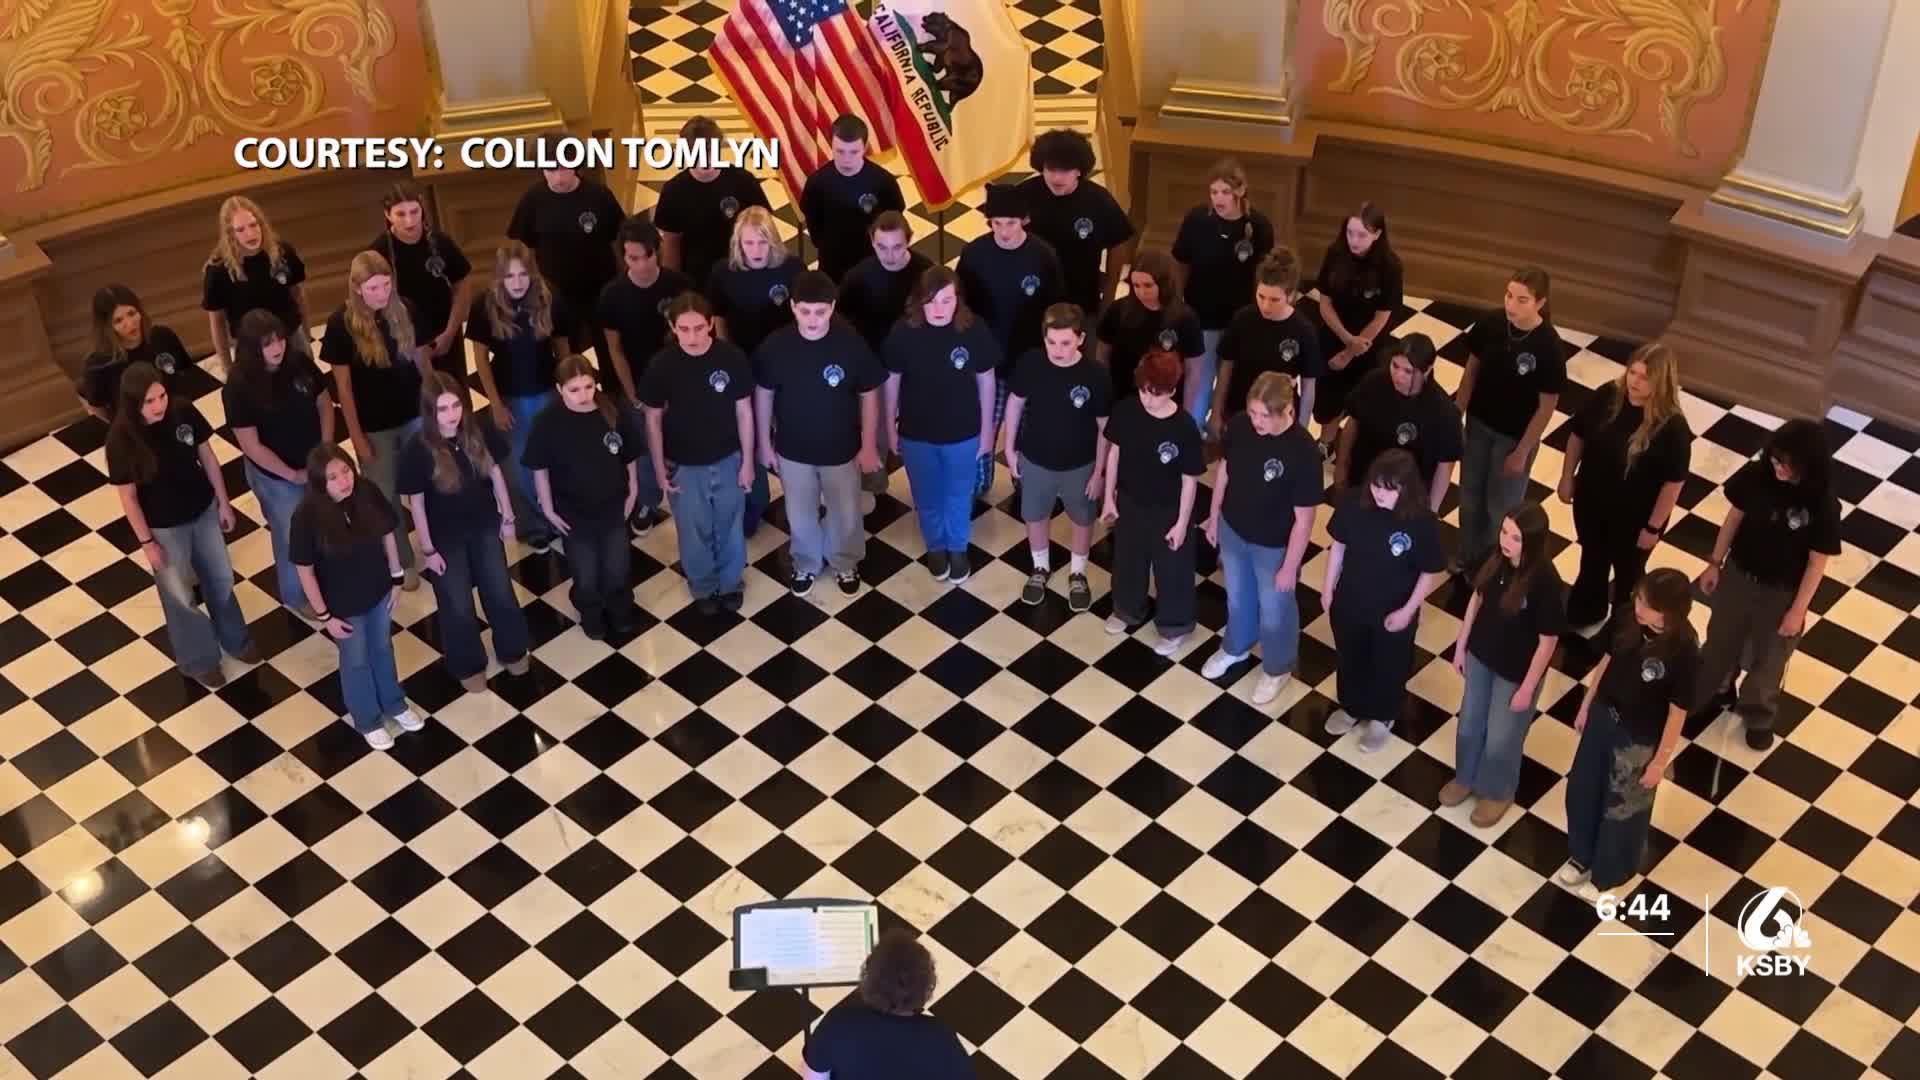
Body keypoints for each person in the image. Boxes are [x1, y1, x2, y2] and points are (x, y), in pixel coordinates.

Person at [107, 363, 258, 689]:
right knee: (179, 596)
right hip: (164, 527)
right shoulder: (121, 439)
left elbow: (207, 457)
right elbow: (129, 498)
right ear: (134, 404)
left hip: (202, 510)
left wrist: (223, 501)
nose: (159, 405)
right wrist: (147, 543)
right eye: (149, 401)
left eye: (161, 395)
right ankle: (199, 659)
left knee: (221, 578)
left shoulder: (182, 411)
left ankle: (237, 640)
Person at [1691, 419, 1840, 750]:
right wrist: (1715, 563)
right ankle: (1713, 690)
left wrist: (1798, 610)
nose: (1778, 469)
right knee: (1720, 641)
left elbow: (1817, 563)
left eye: (1786, 464)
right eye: (1775, 460)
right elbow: (1734, 518)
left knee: (1769, 658)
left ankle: (1757, 715)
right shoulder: (1756, 477)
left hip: (1781, 593)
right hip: (1739, 575)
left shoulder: (1822, 504)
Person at [1561, 568, 1696, 893]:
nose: (1639, 607)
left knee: (1623, 805)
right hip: (1604, 715)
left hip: (1639, 736)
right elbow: (1607, 659)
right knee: (1583, 787)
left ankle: (1609, 873)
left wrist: (1661, 761)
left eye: (1648, 604)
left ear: (1669, 611)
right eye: (1639, 597)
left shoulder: (1684, 649)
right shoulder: (1626, 617)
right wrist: (1586, 703)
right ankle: (1581, 855)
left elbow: (1678, 711)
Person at [399, 373, 532, 692]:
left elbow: (496, 472)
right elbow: (415, 503)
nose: (452, 415)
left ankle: (512, 648)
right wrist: (427, 549)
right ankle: (468, 663)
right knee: (456, 602)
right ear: (430, 412)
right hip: (446, 537)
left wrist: (509, 515)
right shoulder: (418, 448)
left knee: (499, 588)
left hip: (485, 524)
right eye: (443, 409)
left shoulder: (478, 430)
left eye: (456, 405)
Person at [753, 271, 884, 597]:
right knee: (800, 513)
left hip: (841, 448)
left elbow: (869, 393)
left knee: (846, 510)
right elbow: (764, 394)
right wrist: (763, 443)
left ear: (833, 307)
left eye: (821, 311)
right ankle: (806, 562)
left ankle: (844, 561)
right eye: (806, 311)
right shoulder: (776, 346)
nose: (813, 319)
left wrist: (868, 445)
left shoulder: (849, 342)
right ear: (793, 307)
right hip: (792, 448)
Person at [1200, 373, 1321, 706]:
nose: (1257, 422)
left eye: (1265, 416)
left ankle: (1277, 667)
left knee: (1275, 608)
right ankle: (1236, 646)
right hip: (1234, 528)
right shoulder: (1240, 427)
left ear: (1288, 412)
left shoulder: (1304, 452)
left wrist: (1290, 566)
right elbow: (1224, 470)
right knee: (1238, 597)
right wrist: (1213, 515)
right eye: (1253, 413)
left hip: (1274, 545)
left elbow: (1304, 519)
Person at [291, 444, 421, 750]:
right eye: (333, 477)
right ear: (321, 482)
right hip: (342, 605)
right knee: (356, 659)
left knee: (382, 648)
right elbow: (304, 570)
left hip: (378, 590)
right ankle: (367, 719)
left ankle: (394, 702)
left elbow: (388, 531)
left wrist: (396, 576)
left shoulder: (366, 491)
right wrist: (324, 616)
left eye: (346, 471)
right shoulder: (307, 516)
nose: (344, 480)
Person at [1558, 343, 1691, 630]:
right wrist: (1567, 476)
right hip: (1593, 501)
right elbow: (1578, 435)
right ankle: (1585, 613)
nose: (1635, 382)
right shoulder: (1608, 395)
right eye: (1632, 373)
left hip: (1635, 519)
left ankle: (1623, 629)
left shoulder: (1673, 427)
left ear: (1660, 381)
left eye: (1644, 377)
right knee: (1591, 560)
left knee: (1628, 578)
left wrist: (1653, 527)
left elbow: (1673, 483)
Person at [1448, 502, 1565, 826]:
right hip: (1481, 656)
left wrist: (1528, 687)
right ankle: (1466, 777)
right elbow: (1477, 599)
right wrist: (1461, 646)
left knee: (1503, 736)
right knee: (1470, 722)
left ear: (1532, 542)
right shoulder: (1495, 558)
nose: (1506, 541)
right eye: (1504, 532)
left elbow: (1548, 641)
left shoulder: (1544, 582)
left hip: (1515, 672)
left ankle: (1498, 791)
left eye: (1515, 537)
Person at [1322, 450, 1448, 752]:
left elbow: (1428, 572)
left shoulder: (1421, 521)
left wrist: (1408, 611)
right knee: (1350, 655)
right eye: (1376, 486)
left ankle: (1383, 717)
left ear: (1405, 488)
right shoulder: (1355, 503)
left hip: (1393, 608)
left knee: (1388, 663)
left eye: (1389, 488)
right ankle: (1352, 706)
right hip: (1351, 599)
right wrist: (1328, 590)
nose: (1380, 494)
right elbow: (1338, 547)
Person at [639, 295, 755, 614]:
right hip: (684, 464)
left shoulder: (731, 357)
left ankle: (731, 583)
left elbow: (745, 411)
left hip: (728, 457)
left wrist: (748, 461)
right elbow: (652, 418)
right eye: (685, 329)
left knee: (730, 525)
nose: (693, 337)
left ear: (711, 326)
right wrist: (660, 468)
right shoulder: (662, 365)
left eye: (700, 328)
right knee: (693, 529)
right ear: (673, 328)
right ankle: (703, 585)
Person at [883, 267, 999, 583]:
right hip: (916, 433)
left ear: (957, 300)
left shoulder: (973, 330)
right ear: (920, 301)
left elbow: (986, 380)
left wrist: (988, 430)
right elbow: (892, 381)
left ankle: (958, 547)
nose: (939, 309)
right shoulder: (903, 332)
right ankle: (936, 546)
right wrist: (889, 427)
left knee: (959, 493)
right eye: (932, 302)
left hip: (964, 432)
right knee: (926, 494)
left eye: (946, 301)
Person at [322, 250, 429, 589]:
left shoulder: (407, 309)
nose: (382, 294)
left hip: (414, 414)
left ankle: (435, 542)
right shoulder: (340, 324)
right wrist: (356, 436)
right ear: (356, 288)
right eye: (373, 288)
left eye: (386, 285)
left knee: (427, 481)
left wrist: (434, 409)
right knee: (385, 494)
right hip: (375, 425)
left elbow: (424, 365)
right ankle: (402, 560)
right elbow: (344, 387)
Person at [958, 183, 1066, 495]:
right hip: (987, 361)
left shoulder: (1043, 256)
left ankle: (1026, 480)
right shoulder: (975, 254)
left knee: (1030, 428)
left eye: (1011, 223)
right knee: (984, 425)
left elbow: (1056, 309)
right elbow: (962, 308)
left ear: (1025, 221)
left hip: (1030, 359)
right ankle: (980, 480)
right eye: (997, 224)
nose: (1004, 232)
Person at [524, 354, 643, 640]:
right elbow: (538, 466)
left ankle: (619, 607)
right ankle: (591, 611)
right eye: (574, 390)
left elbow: (630, 456)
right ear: (559, 388)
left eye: (588, 387)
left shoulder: (611, 410)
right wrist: (548, 508)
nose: (583, 395)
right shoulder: (547, 421)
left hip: (613, 503)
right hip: (572, 511)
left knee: (617, 565)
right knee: (585, 570)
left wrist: (634, 489)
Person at [467, 242, 575, 554]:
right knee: (519, 463)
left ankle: (559, 514)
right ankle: (533, 525)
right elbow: (481, 361)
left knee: (555, 457)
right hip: (510, 397)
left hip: (547, 391)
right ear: (499, 277)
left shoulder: (550, 297)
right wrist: (496, 404)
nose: (517, 282)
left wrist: (566, 391)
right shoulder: (483, 305)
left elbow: (563, 348)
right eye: (510, 276)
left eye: (523, 275)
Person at [225, 310, 333, 617]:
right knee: (290, 535)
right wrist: (292, 474)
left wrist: (325, 449)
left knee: (322, 523)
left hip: (314, 461)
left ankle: (322, 583)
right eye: (267, 344)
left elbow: (324, 402)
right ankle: (297, 596)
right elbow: (251, 445)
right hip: (277, 477)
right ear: (250, 349)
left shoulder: (297, 362)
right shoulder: (238, 387)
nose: (277, 348)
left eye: (279, 339)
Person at [1455, 267, 1565, 568]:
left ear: (1540, 303)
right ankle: (1467, 554)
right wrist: (1457, 414)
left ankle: (1492, 565)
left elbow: (1546, 407)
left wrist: (1522, 451)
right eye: (1508, 295)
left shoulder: (1548, 347)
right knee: (1469, 496)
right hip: (1478, 425)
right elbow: (1471, 372)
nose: (1511, 306)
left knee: (1500, 507)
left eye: (1522, 300)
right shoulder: (1491, 323)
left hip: (1513, 438)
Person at [1004, 304, 1109, 612]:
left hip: (1081, 463)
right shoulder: (1031, 364)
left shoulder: (1095, 375)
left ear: (1080, 339)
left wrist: (1100, 472)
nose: (1057, 350)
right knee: (1035, 515)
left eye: (1065, 342)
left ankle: (1078, 572)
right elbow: (1014, 404)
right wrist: (1010, 449)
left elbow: (1105, 427)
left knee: (1083, 517)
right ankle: (1040, 567)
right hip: (1035, 459)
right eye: (1051, 342)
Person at [1101, 349, 1204, 655]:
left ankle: (1175, 625)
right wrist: (1109, 496)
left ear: (1172, 390)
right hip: (1132, 501)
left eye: (1156, 393)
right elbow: (1115, 453)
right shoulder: (1126, 411)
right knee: (1128, 560)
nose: (1148, 399)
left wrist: (1183, 523)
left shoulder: (1184, 427)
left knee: (1172, 568)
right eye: (1145, 390)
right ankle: (1127, 609)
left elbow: (1190, 479)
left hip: (1168, 509)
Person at [710, 207, 801, 536]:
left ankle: (799, 502)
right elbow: (718, 318)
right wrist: (728, 357)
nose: (756, 250)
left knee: (788, 432)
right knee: (748, 435)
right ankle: (755, 501)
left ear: (773, 240)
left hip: (783, 366)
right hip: (744, 365)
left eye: (762, 242)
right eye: (749, 243)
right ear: (739, 244)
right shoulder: (723, 273)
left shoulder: (792, 269)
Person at [598, 217, 689, 537]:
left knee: (681, 445)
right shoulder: (613, 294)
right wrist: (632, 393)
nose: (639, 264)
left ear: (657, 252)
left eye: (644, 256)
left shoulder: (677, 285)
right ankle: (648, 502)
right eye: (631, 258)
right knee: (646, 452)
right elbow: (615, 349)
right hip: (637, 384)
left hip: (676, 384)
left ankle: (686, 501)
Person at [1171, 158, 1275, 428]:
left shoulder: (1259, 227)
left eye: (1225, 192)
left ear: (1240, 191)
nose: (1219, 198)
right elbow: (1181, 261)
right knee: (1200, 378)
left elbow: (1263, 276)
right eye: (1214, 192)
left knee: (1232, 380)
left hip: (1239, 319)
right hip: (1202, 315)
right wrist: (1179, 301)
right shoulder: (1197, 220)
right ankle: (1192, 429)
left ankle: (1226, 430)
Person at [800, 929, 973, 1080]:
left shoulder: (838, 1023)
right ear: (926, 987)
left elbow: (814, 1077)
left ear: (869, 979)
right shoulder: (941, 1037)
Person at [505, 161, 627, 371]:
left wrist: (624, 277)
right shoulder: (533, 199)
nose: (559, 178)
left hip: (600, 287)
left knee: (609, 348)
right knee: (567, 352)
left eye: (564, 169)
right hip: (557, 293)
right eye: (551, 171)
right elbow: (521, 247)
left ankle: (613, 394)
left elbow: (620, 238)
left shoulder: (598, 195)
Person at [1310, 204, 1403, 453]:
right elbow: (1325, 303)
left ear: (1378, 234)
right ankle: (1325, 443)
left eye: (1362, 234)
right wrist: (1345, 340)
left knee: (1362, 402)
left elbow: (1382, 315)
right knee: (1327, 401)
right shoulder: (1335, 253)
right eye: (1350, 232)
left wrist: (1351, 350)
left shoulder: (1390, 266)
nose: (1354, 240)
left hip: (1368, 346)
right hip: (1333, 337)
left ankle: (1352, 451)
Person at [1335, 333, 1461, 511]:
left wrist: (1431, 511)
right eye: (1395, 366)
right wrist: (1341, 465)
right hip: (1363, 481)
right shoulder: (1374, 383)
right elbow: (1353, 422)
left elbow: (1445, 465)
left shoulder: (1443, 412)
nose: (1398, 376)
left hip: (1407, 497)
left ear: (1427, 370)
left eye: (1408, 371)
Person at [1207, 250, 1321, 444]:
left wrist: (1300, 432)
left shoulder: (1304, 331)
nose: (1266, 306)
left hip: (1278, 416)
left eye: (1274, 299)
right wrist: (1216, 413)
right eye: (1261, 296)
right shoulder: (1243, 319)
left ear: (1291, 295)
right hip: (1238, 410)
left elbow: (1309, 387)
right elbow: (1225, 369)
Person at [1018, 128, 1134, 315]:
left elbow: (1119, 241)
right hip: (1032, 294)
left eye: (1065, 170)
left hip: (1081, 298)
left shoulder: (1098, 200)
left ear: (1080, 170)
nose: (1057, 178)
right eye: (1051, 169)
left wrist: (1110, 291)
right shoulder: (1024, 195)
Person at [654, 114, 771, 291]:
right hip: (695, 280)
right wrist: (674, 289)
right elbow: (671, 243)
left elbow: (764, 231)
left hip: (740, 274)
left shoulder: (744, 182)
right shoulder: (673, 190)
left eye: (708, 150)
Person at [372, 181, 474, 384]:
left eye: (414, 212)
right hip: (404, 340)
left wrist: (449, 333)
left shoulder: (440, 242)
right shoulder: (379, 252)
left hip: (444, 334)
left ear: (422, 208)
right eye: (401, 214)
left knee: (455, 391)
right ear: (387, 214)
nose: (410, 221)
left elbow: (462, 286)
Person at [799, 113, 906, 282]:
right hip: (832, 266)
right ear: (831, 146)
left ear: (864, 148)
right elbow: (814, 226)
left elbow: (894, 222)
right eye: (840, 151)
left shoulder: (883, 182)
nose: (846, 159)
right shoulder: (817, 183)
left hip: (874, 264)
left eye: (854, 152)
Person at [203, 195, 307, 368]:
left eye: (253, 225)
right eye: (241, 229)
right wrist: (228, 367)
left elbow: (298, 295)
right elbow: (217, 323)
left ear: (261, 223)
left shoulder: (282, 253)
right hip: (252, 349)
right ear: (230, 233)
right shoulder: (218, 271)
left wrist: (306, 335)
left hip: (291, 338)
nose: (250, 234)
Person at [1094, 249, 1204, 406]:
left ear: (1164, 283)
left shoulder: (1185, 318)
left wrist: (1186, 412)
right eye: (1136, 285)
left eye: (1148, 285)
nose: (1141, 292)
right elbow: (1102, 355)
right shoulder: (1118, 310)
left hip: (1164, 401)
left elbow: (1193, 371)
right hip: (1121, 397)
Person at [78, 285, 193, 422]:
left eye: (132, 313)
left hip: (175, 418)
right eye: (118, 321)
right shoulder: (98, 363)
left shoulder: (162, 337)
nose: (130, 323)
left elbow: (184, 373)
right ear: (106, 327)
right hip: (136, 431)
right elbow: (97, 405)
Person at [839, 211, 933, 353]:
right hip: (873, 354)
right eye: (882, 247)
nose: (889, 256)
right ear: (872, 241)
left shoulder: (927, 273)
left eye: (897, 247)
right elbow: (842, 319)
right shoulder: (857, 277)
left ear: (909, 241)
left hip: (916, 352)